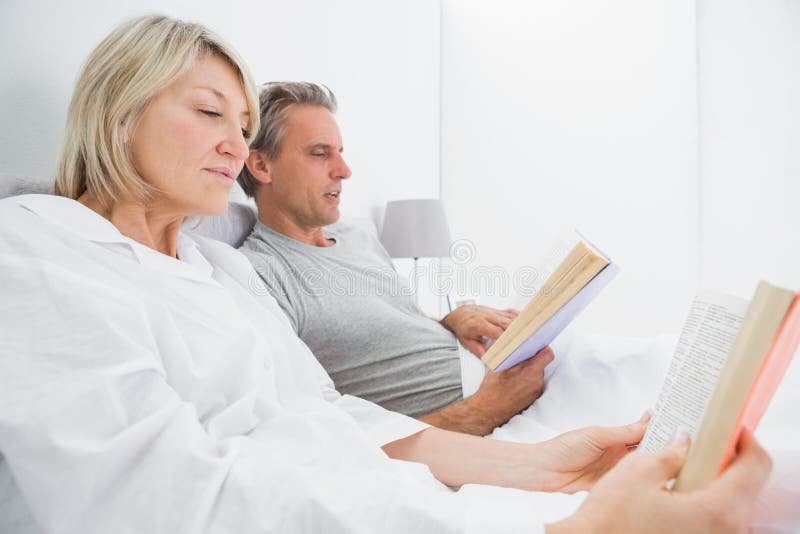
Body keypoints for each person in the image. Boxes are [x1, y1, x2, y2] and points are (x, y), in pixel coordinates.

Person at [0, 14, 771, 534]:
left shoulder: (213, 271)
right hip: (339, 512)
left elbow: (338, 417)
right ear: (119, 111)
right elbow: (151, 499)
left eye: (241, 126)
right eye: (209, 114)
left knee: (741, 467)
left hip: (380, 494)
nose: (233, 145)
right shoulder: (35, 253)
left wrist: (535, 466)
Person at [237, 82, 553, 435]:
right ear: (262, 165)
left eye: (340, 152)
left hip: (502, 367)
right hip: (487, 408)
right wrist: (482, 412)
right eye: (320, 153)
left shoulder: (358, 236)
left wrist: (450, 320)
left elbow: (401, 324)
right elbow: (312, 432)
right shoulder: (257, 275)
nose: (344, 170)